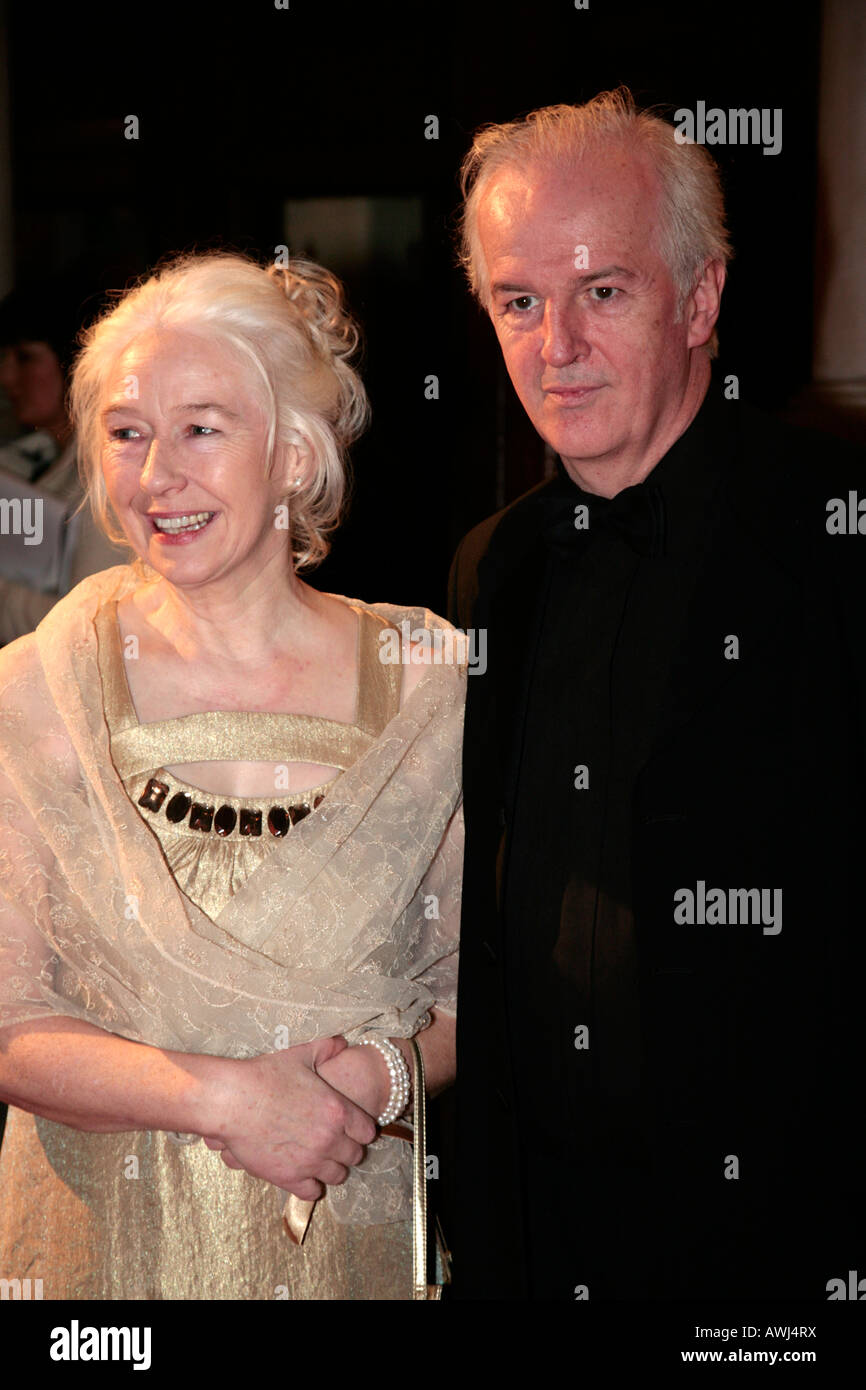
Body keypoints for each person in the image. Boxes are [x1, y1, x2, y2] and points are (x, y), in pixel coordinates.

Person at [447, 87, 865, 1300]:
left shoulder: (836, 537)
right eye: (517, 301)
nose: (555, 345)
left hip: (788, 1241)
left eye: (603, 291)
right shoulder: (490, 566)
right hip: (542, 1235)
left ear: (700, 297)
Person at [0, 251, 464, 1300]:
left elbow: (464, 993)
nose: (157, 472)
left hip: (346, 1239)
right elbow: (9, 1019)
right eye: (126, 433)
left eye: (202, 426)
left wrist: (369, 1081)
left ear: (295, 453)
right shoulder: (36, 693)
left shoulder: (425, 681)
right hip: (98, 1257)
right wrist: (229, 1102)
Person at [0, 273, 122, 644]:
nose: (6, 377)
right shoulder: (27, 460)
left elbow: (90, 628)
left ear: (77, 360)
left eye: (25, 357)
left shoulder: (112, 472)